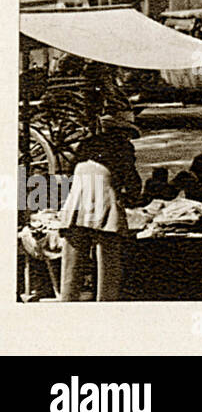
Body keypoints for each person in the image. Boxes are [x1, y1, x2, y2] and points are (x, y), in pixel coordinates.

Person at [57, 115, 142, 301]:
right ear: (123, 132)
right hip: (105, 208)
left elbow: (71, 173)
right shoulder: (123, 147)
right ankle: (105, 304)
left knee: (71, 268)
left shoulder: (86, 145)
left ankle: (66, 303)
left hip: (75, 208)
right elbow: (132, 181)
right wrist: (134, 199)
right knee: (109, 267)